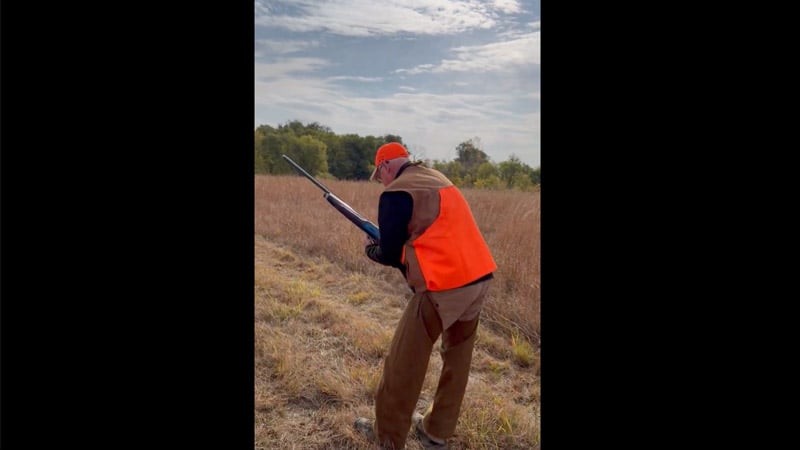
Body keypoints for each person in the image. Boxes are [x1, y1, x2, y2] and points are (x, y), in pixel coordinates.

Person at [353, 142, 496, 449]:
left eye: (379, 176)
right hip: (480, 277)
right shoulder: (439, 178)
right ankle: (436, 432)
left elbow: (390, 253)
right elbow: (431, 234)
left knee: (403, 364)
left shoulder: (396, 192)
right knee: (457, 361)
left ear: (387, 166)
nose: (382, 182)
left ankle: (387, 437)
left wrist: (369, 248)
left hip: (444, 286)